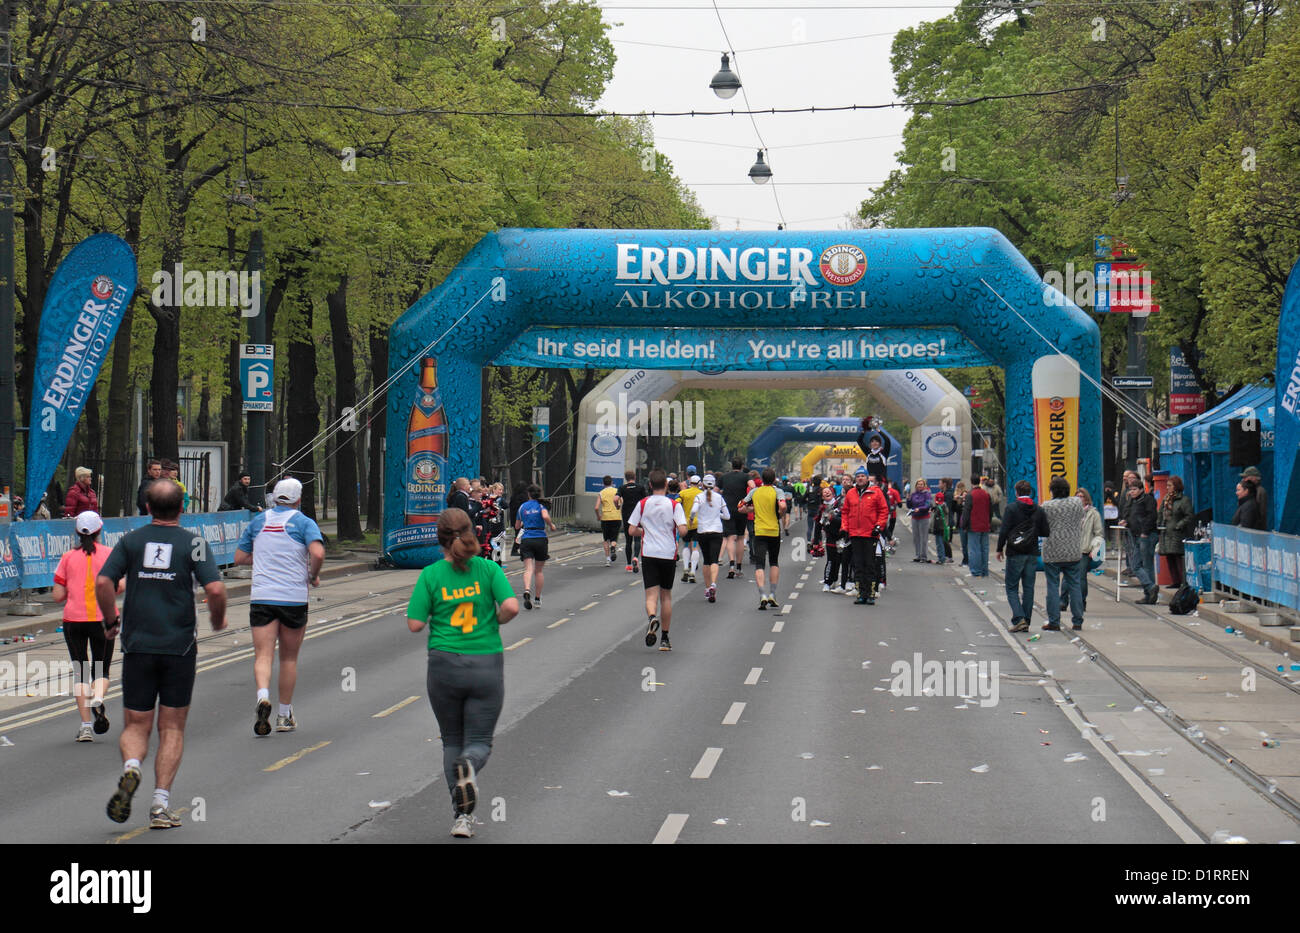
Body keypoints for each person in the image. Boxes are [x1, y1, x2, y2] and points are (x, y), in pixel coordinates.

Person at [96, 479, 227, 829]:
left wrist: (111, 621)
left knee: (137, 724)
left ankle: (131, 769)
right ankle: (159, 804)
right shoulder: (194, 542)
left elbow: (103, 582)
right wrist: (217, 618)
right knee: (171, 727)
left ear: (147, 508)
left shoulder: (131, 541)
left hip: (138, 644)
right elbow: (215, 588)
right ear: (182, 507)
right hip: (179, 646)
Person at [406, 509, 519, 838]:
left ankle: (462, 817)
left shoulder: (431, 575)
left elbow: (414, 624)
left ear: (438, 538)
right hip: (485, 663)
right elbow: (511, 606)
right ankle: (470, 765)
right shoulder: (487, 569)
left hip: (443, 665)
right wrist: (496, 622)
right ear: (471, 532)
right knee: (479, 741)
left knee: (451, 741)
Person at [234, 477, 325, 736]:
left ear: (274, 497)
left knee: (263, 655)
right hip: (293, 597)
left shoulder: (258, 521)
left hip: (262, 596)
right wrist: (313, 574)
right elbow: (317, 553)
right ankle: (284, 715)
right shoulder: (303, 522)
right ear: (298, 500)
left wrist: (264, 557)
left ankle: (263, 696)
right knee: (288, 658)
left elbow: (239, 558)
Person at [54, 512, 123, 742]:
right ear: (99, 531)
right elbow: (120, 586)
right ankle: (99, 697)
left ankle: (85, 727)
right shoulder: (110, 555)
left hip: (73, 620)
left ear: (76, 532)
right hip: (104, 618)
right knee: (101, 669)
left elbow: (57, 595)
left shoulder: (67, 557)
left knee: (81, 672)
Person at [628, 470, 687, 650]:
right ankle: (665, 639)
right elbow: (683, 530)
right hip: (668, 554)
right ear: (667, 485)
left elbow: (631, 530)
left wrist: (644, 532)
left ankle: (652, 617)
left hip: (649, 553)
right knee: (666, 596)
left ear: (651, 485)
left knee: (651, 595)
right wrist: (675, 530)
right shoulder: (674, 505)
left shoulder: (643, 503)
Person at [996, 480, 1049, 633]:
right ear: (1030, 492)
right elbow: (1046, 531)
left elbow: (1004, 530)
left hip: (1015, 551)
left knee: (1012, 587)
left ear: (1016, 492)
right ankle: (1027, 619)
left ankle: (1019, 618)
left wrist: (1000, 548)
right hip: (1032, 552)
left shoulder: (1011, 508)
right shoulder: (1038, 510)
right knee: (1028, 587)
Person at [1040, 477, 1087, 632]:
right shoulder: (1076, 503)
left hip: (1052, 550)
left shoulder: (1046, 506)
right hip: (1072, 550)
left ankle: (1054, 621)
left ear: (1052, 490)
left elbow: (1042, 525)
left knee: (1052, 586)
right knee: (1074, 585)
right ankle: (1078, 620)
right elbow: (1081, 518)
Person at [738, 468, 788, 609]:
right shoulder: (777, 491)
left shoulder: (755, 491)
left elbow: (741, 507)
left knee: (759, 564)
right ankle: (772, 594)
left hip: (759, 532)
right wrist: (780, 513)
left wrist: (752, 509)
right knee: (773, 562)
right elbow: (783, 505)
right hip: (773, 531)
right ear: (773, 480)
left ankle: (762, 595)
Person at [841, 467, 889, 605]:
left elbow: (883, 510)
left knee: (870, 564)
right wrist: (845, 528)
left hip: (870, 534)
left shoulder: (876, 492)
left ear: (867, 478)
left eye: (863, 476)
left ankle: (871, 594)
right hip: (855, 534)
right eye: (858, 476)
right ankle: (861, 593)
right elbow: (845, 512)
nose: (860, 478)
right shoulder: (851, 493)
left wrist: (878, 526)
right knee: (858, 565)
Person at [689, 474, 730, 603]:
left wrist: (691, 519)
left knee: (706, 560)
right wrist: (718, 514)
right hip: (717, 531)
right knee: (714, 560)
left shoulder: (699, 497)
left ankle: (707, 589)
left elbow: (694, 510)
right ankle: (713, 584)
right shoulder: (719, 498)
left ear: (703, 484)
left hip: (702, 531)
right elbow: (727, 516)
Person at [514, 484, 556, 609]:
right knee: (538, 571)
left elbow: (517, 526)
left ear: (528, 494)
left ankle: (527, 590)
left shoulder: (522, 507)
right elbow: (545, 516)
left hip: (527, 539)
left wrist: (524, 522)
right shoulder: (541, 505)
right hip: (540, 538)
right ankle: (537, 598)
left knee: (528, 569)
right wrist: (551, 525)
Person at [1064, 487, 1104, 615]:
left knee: (1081, 577)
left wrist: (1095, 548)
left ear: (1086, 499)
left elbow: (1098, 533)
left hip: (1084, 550)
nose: (1079, 499)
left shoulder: (1093, 514)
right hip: (1070, 549)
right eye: (1077, 496)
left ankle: (1081, 602)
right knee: (1066, 577)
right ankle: (1063, 601)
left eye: (1081, 496)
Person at [1124, 479, 1160, 604]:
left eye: (1134, 489)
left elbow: (1151, 517)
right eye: (1130, 489)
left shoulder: (1148, 500)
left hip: (1146, 536)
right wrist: (1127, 522)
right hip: (1136, 535)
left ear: (1141, 489)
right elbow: (1130, 516)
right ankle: (1150, 590)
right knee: (1137, 564)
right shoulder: (1133, 502)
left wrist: (1145, 531)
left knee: (1145, 565)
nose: (1132, 492)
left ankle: (1149, 591)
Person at [1157, 476, 1195, 588]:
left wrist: (1179, 525)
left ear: (1176, 487)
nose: (1167, 488)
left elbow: (1189, 515)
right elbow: (1160, 513)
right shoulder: (1166, 499)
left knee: (1178, 557)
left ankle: (1183, 581)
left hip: (1177, 533)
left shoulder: (1183, 500)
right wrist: (1159, 524)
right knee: (1169, 557)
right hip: (1166, 532)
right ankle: (1175, 581)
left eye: (1169, 485)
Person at [718, 457, 750, 580]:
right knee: (741, 538)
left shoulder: (724, 477)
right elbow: (752, 486)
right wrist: (748, 498)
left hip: (728, 509)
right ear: (742, 466)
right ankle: (739, 567)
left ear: (732, 466)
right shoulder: (746, 477)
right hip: (741, 509)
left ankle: (731, 565)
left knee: (730, 538)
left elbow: (716, 490)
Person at [818, 485, 852, 593]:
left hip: (843, 536)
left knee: (843, 561)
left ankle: (845, 582)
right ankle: (828, 582)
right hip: (831, 537)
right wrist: (816, 540)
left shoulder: (841, 504)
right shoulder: (822, 507)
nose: (827, 493)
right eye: (824, 492)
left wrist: (834, 518)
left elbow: (845, 519)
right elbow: (819, 524)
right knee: (831, 561)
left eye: (829, 491)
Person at [616, 470, 645, 573]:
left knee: (628, 541)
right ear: (635, 477)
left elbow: (616, 498)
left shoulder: (622, 488)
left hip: (626, 515)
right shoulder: (640, 488)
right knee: (637, 539)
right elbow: (645, 501)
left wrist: (617, 506)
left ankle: (628, 565)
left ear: (626, 478)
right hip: (638, 516)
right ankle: (636, 558)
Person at [963, 478, 992, 577]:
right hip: (985, 525)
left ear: (971, 482)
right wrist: (989, 522)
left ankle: (976, 571)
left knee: (974, 549)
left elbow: (966, 512)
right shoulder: (986, 494)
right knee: (984, 548)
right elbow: (990, 510)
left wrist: (964, 525)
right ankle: (984, 571)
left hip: (973, 525)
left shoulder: (970, 495)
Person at [594, 475, 622, 566]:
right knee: (614, 537)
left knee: (606, 539)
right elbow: (620, 502)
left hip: (605, 518)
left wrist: (598, 516)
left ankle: (607, 560)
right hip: (616, 517)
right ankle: (613, 547)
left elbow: (596, 507)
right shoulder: (617, 491)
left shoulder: (601, 493)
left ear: (603, 483)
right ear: (612, 482)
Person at [679, 475, 702, 583]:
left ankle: (685, 568)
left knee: (686, 545)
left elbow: (677, 502)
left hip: (686, 523)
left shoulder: (683, 493)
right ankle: (693, 571)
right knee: (695, 547)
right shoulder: (701, 494)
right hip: (698, 524)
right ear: (699, 483)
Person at [906, 479, 933, 562]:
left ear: (924, 485)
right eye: (918, 484)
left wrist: (919, 509)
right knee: (916, 537)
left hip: (924, 517)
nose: (920, 486)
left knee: (923, 538)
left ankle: (923, 556)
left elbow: (928, 505)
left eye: (921, 484)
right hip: (915, 517)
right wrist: (908, 499)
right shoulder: (913, 494)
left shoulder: (927, 494)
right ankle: (918, 555)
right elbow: (909, 505)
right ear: (916, 485)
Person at [932, 478, 953, 563]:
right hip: (942, 521)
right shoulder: (943, 493)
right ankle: (945, 556)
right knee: (943, 540)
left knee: (944, 540)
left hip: (944, 521)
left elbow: (946, 509)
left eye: (939, 483)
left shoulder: (947, 495)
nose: (938, 485)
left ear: (944, 484)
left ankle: (947, 556)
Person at [952, 481, 968, 565]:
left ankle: (966, 560)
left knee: (965, 543)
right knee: (964, 543)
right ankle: (966, 559)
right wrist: (955, 500)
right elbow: (955, 509)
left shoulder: (965, 496)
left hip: (965, 523)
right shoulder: (957, 498)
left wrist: (962, 499)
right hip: (961, 522)